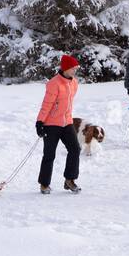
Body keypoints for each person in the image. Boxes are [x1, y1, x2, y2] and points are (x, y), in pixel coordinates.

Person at [35, 54, 82, 194]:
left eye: (76, 68)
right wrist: (40, 122)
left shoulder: (74, 83)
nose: (75, 71)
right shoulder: (54, 84)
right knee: (49, 154)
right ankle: (44, 184)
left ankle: (70, 180)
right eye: (73, 68)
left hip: (67, 122)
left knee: (75, 149)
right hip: (51, 124)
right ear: (66, 68)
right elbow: (47, 104)